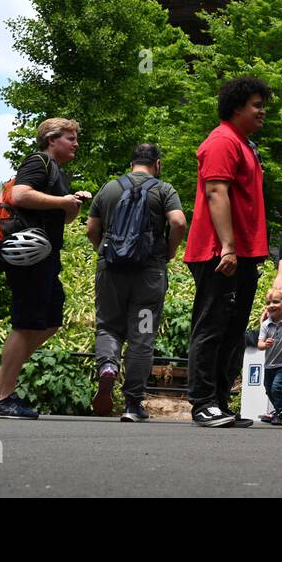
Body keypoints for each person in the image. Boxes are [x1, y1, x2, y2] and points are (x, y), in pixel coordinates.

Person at [0, 118, 90, 420]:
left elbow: (59, 217)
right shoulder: (38, 161)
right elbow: (19, 194)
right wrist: (62, 200)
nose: (76, 143)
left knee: (50, 320)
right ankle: (2, 400)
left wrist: (70, 205)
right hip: (29, 255)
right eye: (71, 138)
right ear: (52, 139)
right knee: (25, 324)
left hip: (46, 256)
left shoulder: (58, 173)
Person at [184, 78, 272, 428]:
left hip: (244, 253)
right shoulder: (222, 141)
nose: (262, 111)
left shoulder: (244, 144)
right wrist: (229, 248)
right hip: (219, 252)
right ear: (237, 108)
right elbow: (216, 193)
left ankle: (219, 401)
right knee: (211, 326)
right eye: (256, 104)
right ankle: (202, 403)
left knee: (233, 330)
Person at [86, 142, 186, 422]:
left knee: (108, 326)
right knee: (142, 336)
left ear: (131, 164)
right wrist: (170, 251)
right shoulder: (163, 189)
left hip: (111, 273)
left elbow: (91, 228)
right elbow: (178, 222)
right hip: (148, 275)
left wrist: (103, 251)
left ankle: (107, 366)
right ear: (157, 164)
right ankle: (133, 404)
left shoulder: (109, 189)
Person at [257, 288, 282, 424]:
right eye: (268, 302)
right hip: (269, 364)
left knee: (276, 387)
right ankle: (280, 412)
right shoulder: (266, 325)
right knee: (268, 390)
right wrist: (265, 344)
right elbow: (259, 344)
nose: (271, 305)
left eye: (276, 302)